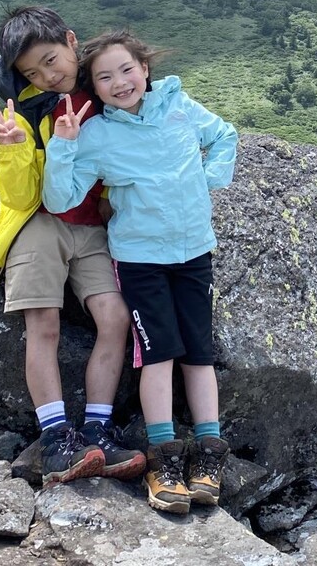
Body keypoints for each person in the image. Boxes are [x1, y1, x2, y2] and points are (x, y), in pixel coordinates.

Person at [44, 29, 238, 514]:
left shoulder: (178, 106)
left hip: (194, 251)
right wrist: (63, 146)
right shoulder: (96, 134)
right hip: (140, 260)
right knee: (159, 353)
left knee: (200, 353)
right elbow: (60, 199)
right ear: (94, 87)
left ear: (145, 69)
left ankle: (209, 455)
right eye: (104, 77)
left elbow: (224, 136)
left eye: (127, 69)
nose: (120, 82)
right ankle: (163, 457)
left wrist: (207, 180)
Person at [0, 7, 144, 485]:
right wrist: (12, 147)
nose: (46, 75)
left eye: (50, 60)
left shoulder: (103, 85)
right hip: (41, 223)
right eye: (32, 72)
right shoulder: (26, 109)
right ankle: (56, 438)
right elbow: (18, 196)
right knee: (43, 323)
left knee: (115, 318)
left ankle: (98, 430)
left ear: (71, 41)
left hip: (94, 228)